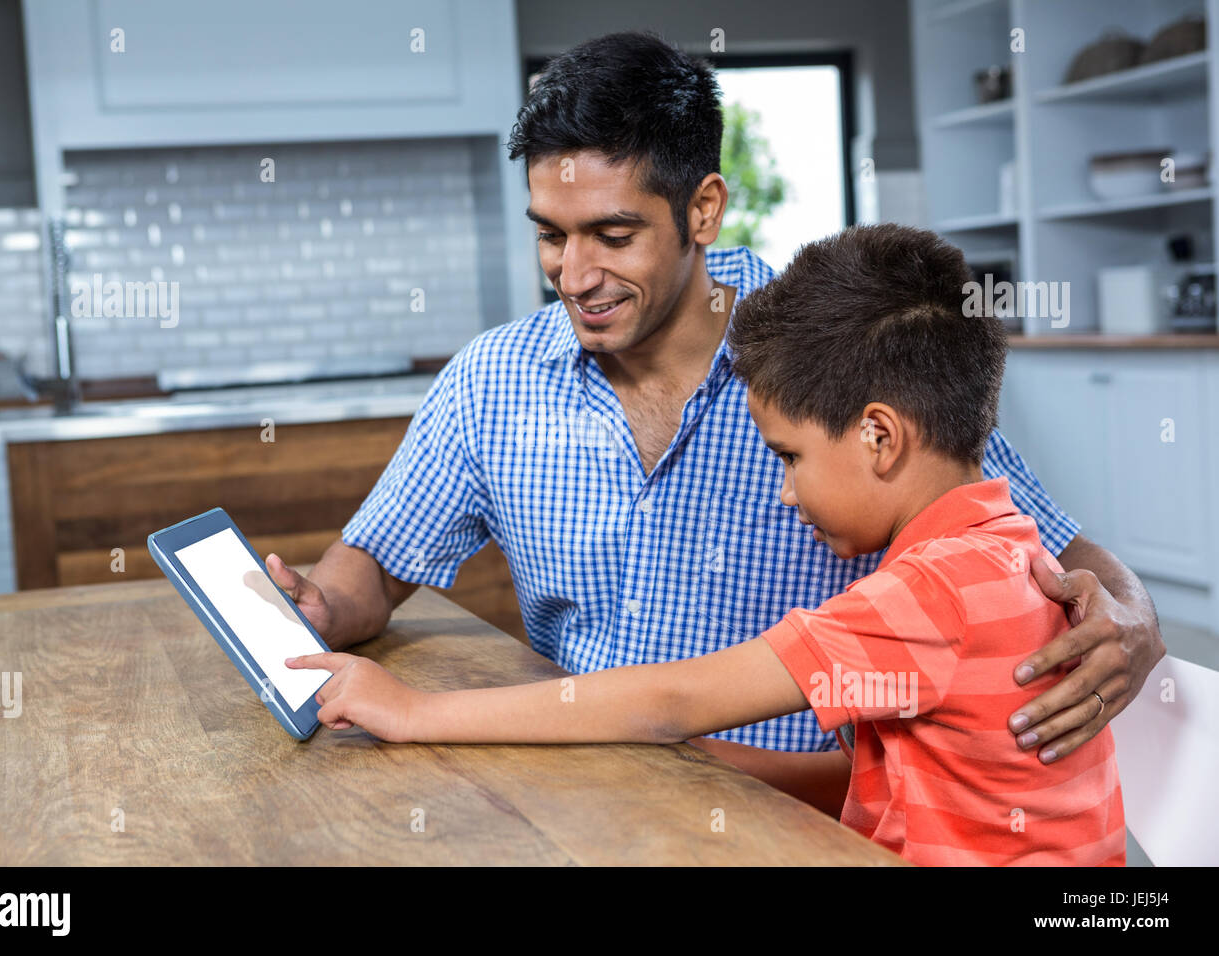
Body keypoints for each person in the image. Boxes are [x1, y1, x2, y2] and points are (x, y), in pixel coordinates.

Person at [265, 31, 1162, 816]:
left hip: (801, 810)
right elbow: (373, 570)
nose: (573, 275)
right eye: (550, 234)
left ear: (702, 209)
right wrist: (315, 609)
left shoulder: (827, 353)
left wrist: (1131, 617)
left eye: (613, 237)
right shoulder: (493, 380)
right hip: (584, 790)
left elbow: (1044, 550)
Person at [285, 223, 1128, 866]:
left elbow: (671, 701)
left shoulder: (924, 595)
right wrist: (683, 765)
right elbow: (904, 779)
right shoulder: (1006, 547)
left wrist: (413, 711)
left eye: (791, 458)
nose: (787, 490)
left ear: (880, 437)